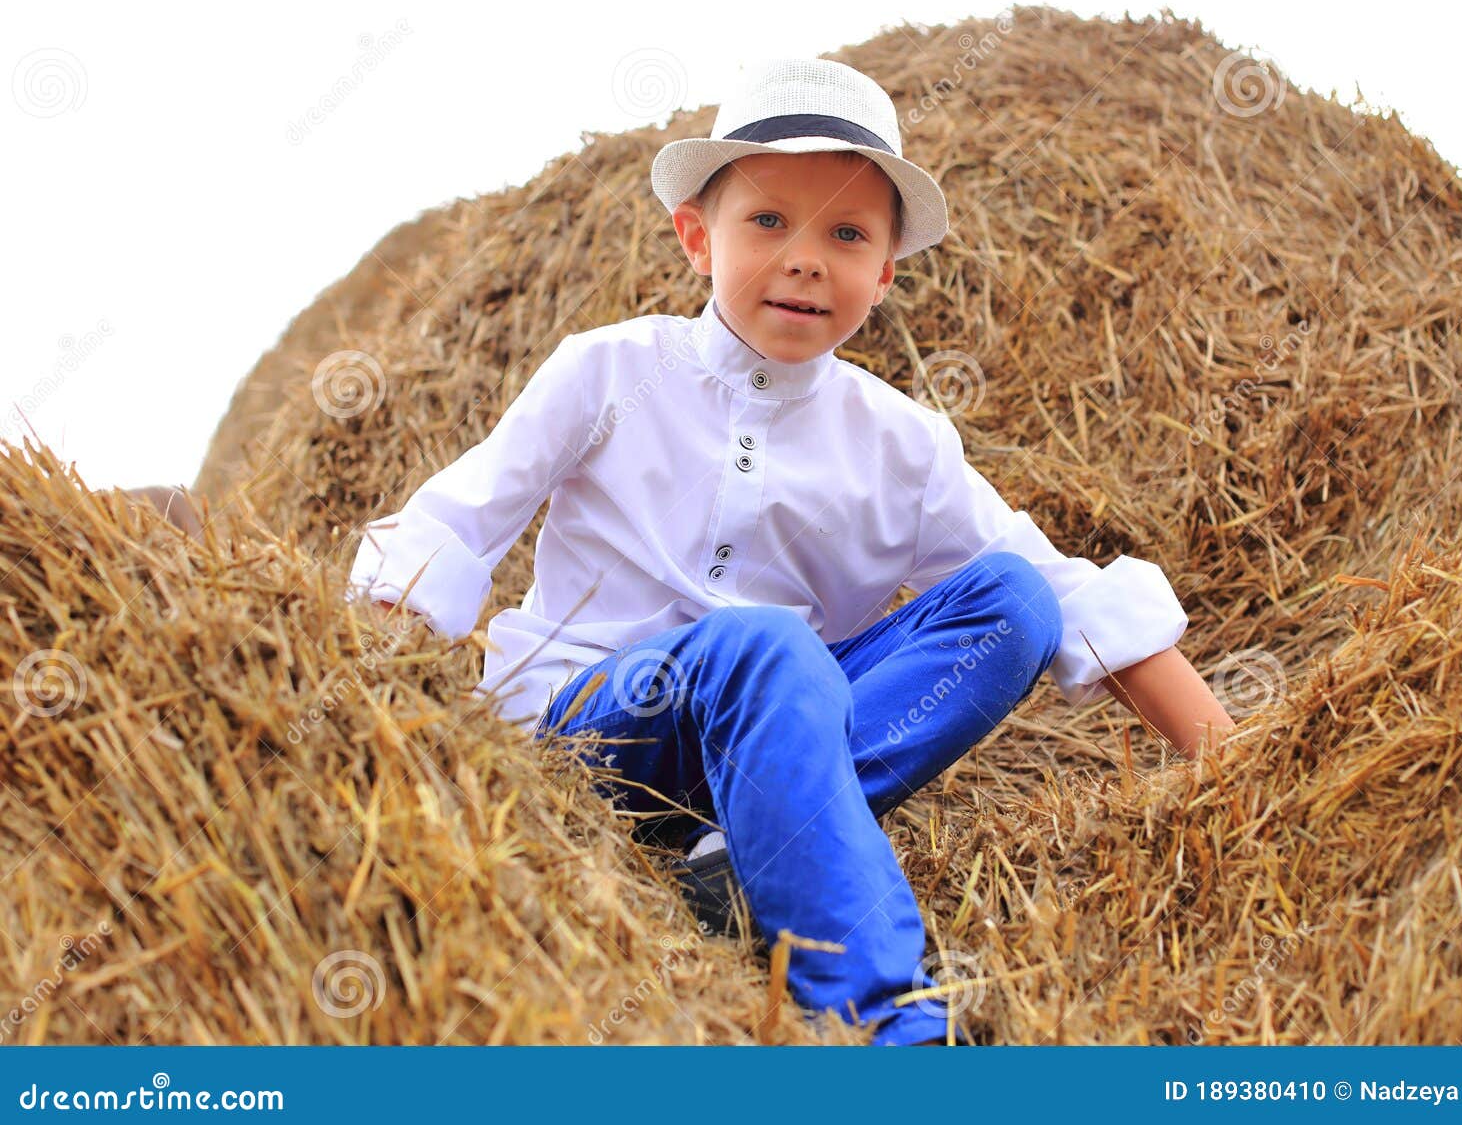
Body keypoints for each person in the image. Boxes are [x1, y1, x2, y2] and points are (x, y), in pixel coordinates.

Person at [347, 57, 1236, 1047]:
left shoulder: (901, 442)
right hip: (599, 725)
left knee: (1012, 601)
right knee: (763, 644)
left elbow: (1067, 599)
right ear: (697, 238)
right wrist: (361, 721)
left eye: (847, 233)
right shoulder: (607, 369)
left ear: (886, 270)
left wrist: (1242, 775)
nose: (807, 258)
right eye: (768, 221)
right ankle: (885, 1017)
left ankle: (741, 848)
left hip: (782, 728)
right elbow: (450, 525)